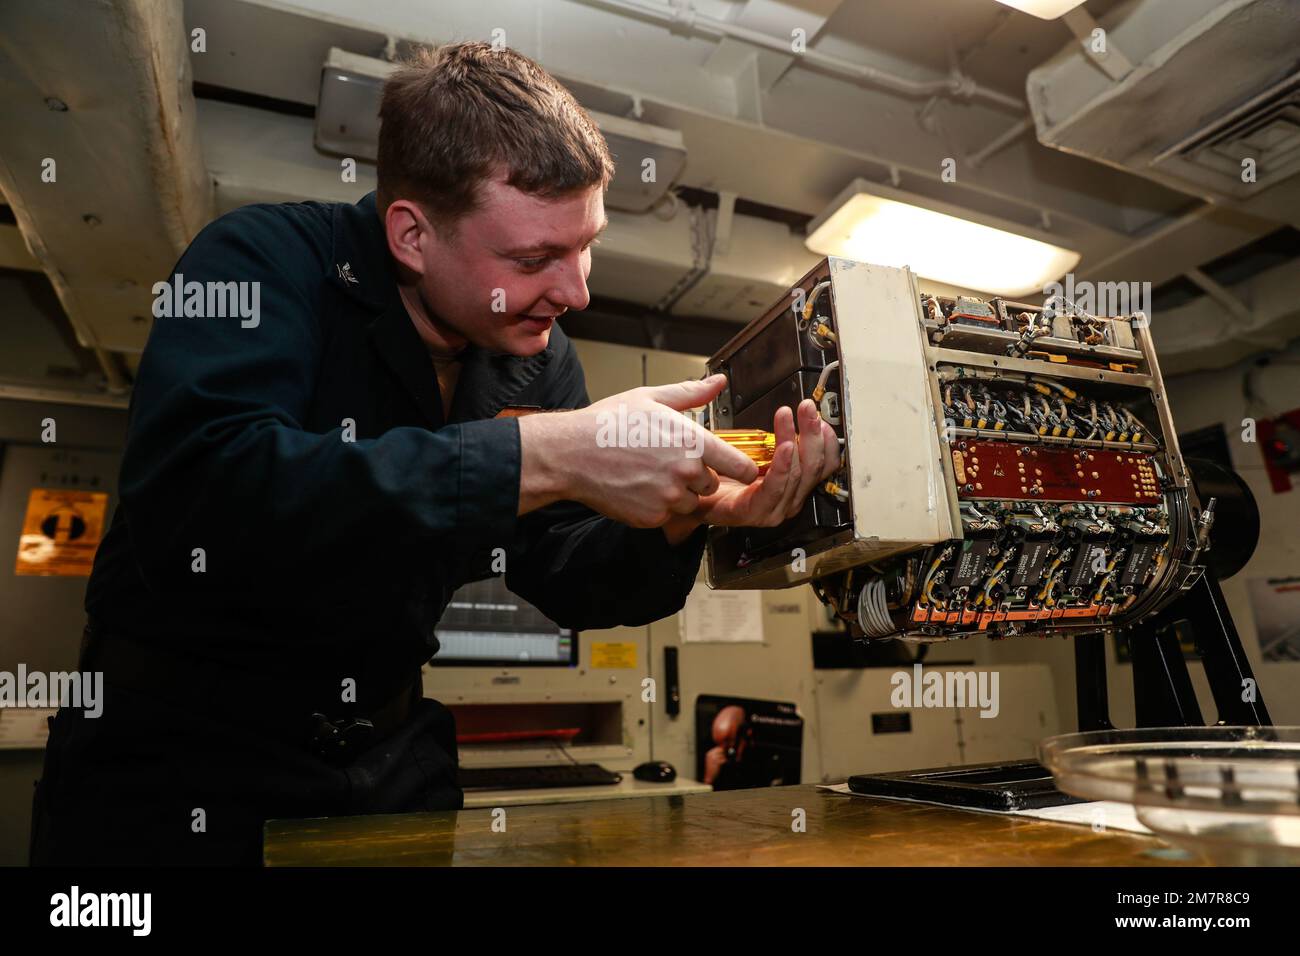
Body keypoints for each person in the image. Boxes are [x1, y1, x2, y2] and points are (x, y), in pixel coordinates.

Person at [29, 41, 839, 866]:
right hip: (178, 768)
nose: (577, 291)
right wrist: (539, 455)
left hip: (388, 761)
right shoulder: (260, 264)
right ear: (412, 235)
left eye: (585, 243)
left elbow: (565, 569)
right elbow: (204, 500)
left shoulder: (536, 353)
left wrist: (688, 511)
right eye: (533, 259)